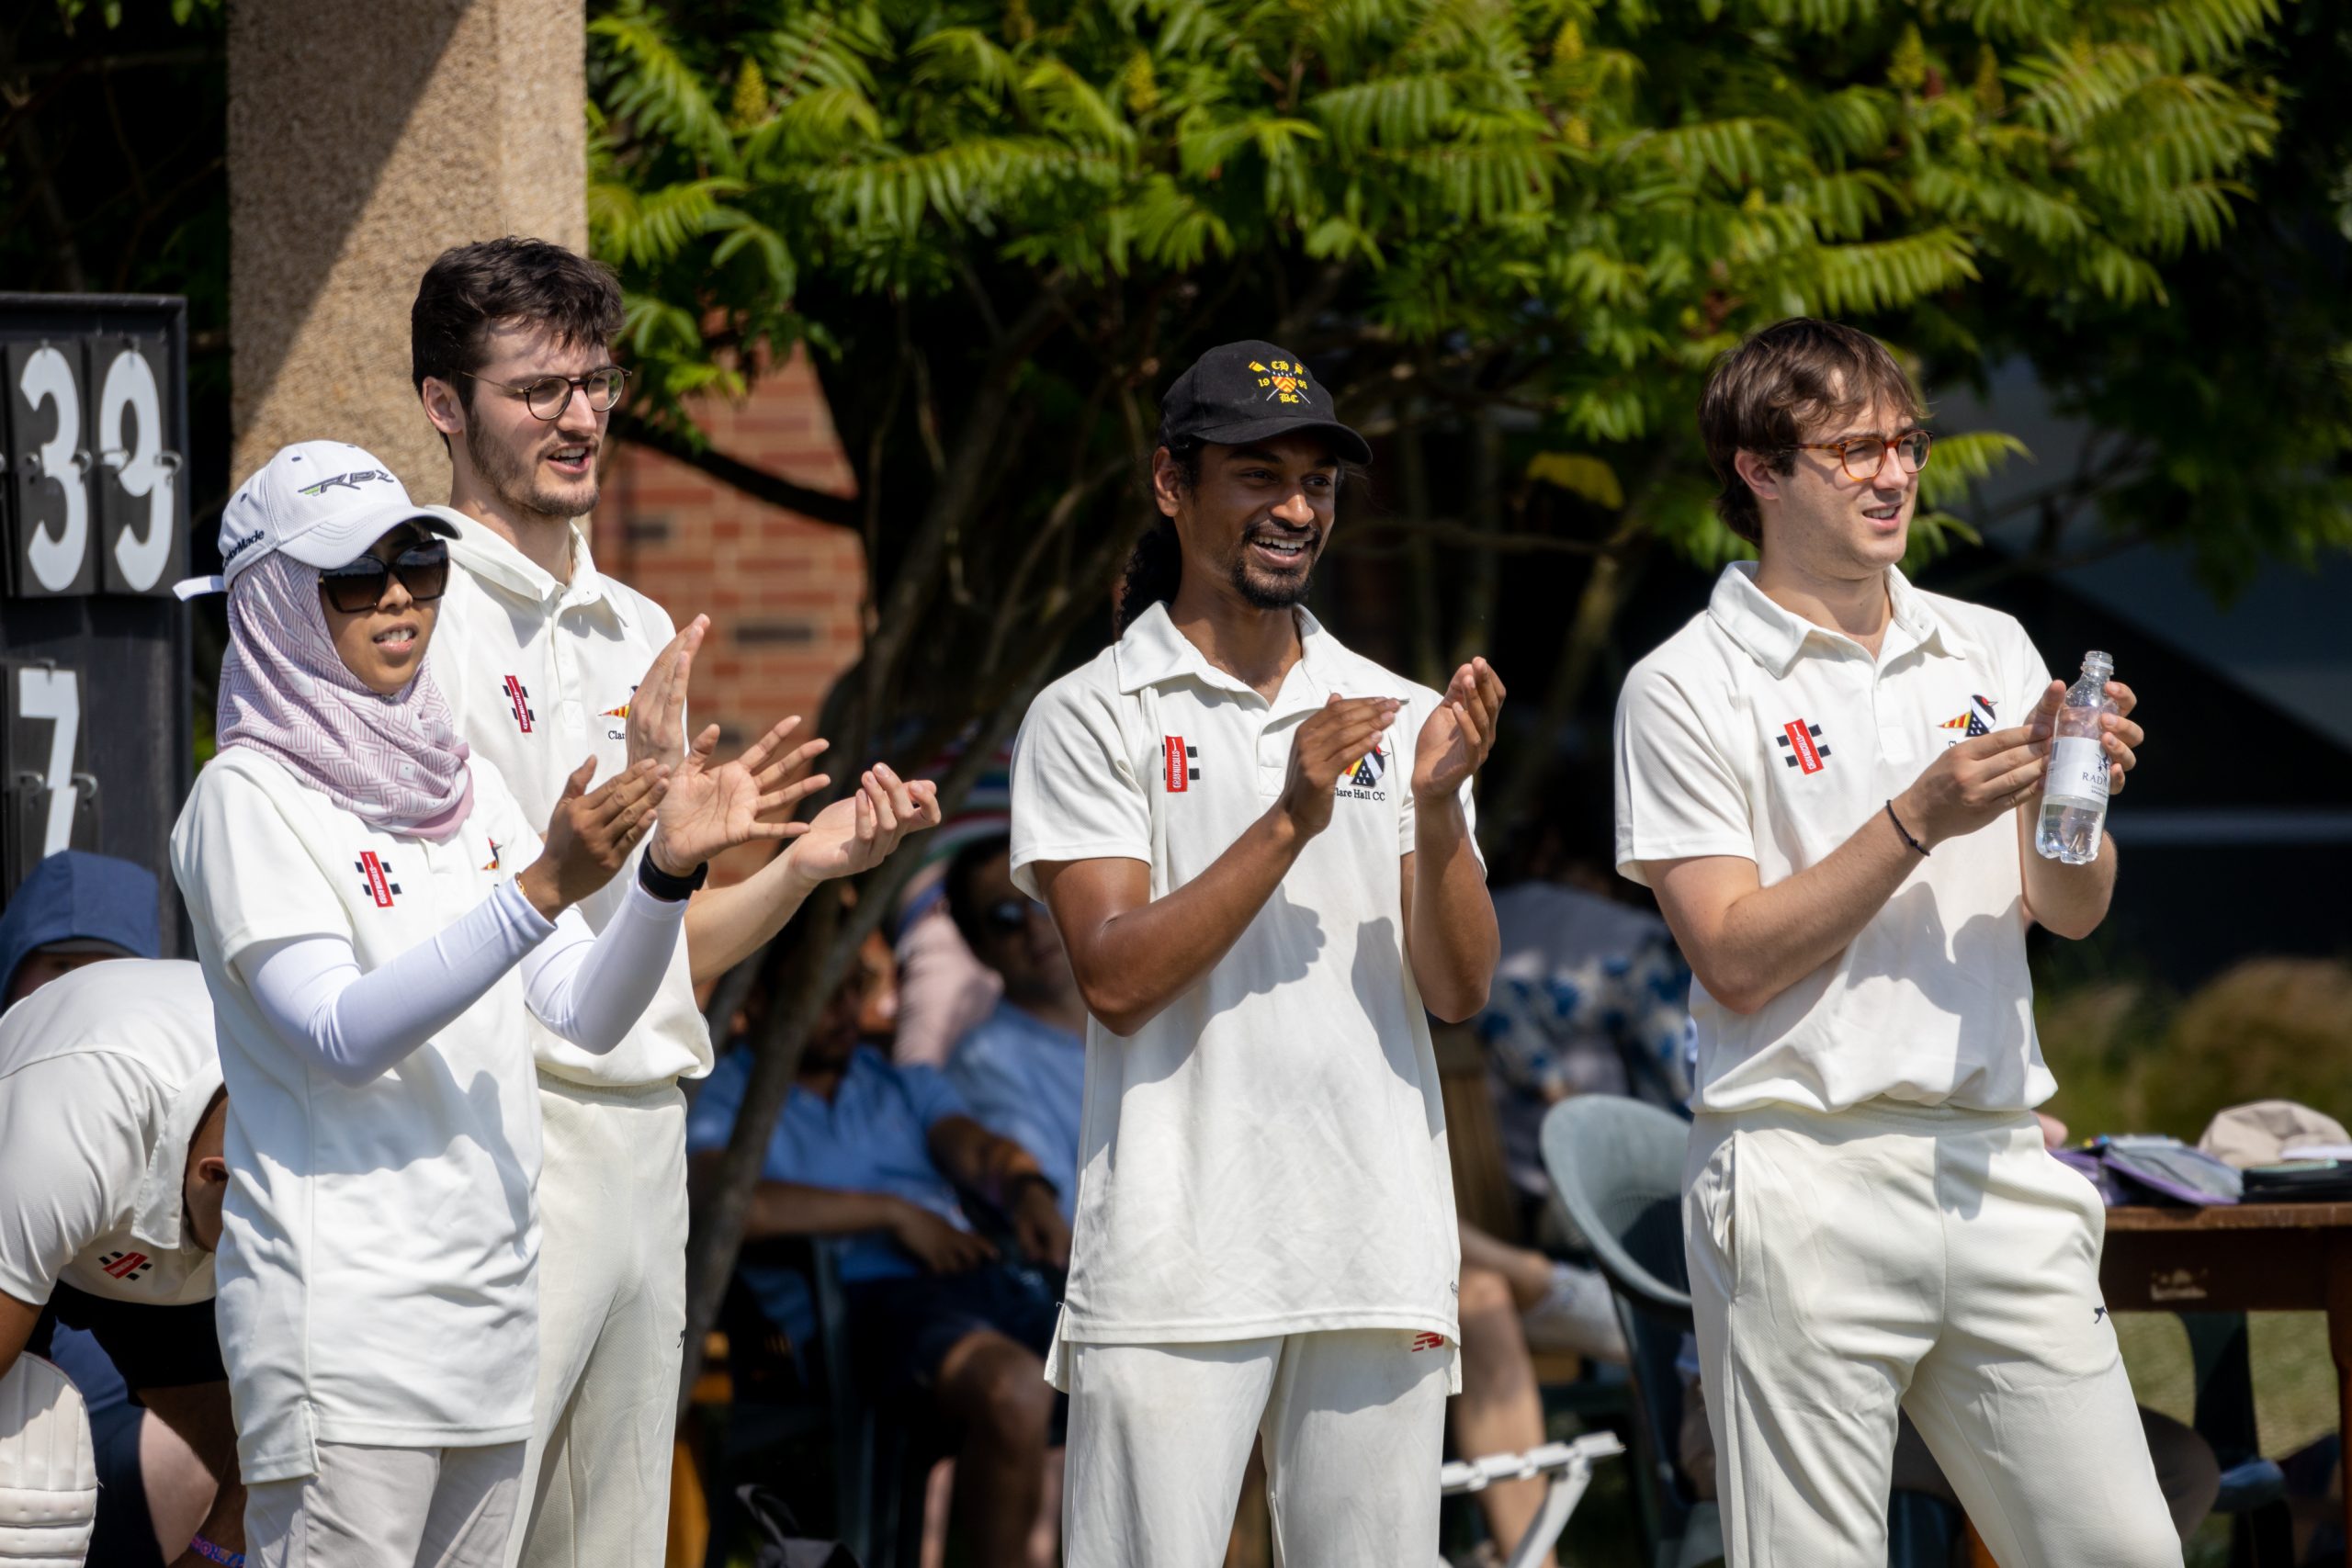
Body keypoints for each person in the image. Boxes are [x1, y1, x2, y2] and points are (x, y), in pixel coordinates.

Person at [410, 236, 942, 1567]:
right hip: (499, 1130)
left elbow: (665, 954)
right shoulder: (406, 607)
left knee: (614, 1544)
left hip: (650, 1136)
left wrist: (805, 864)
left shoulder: (647, 628)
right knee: (474, 1536)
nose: (581, 415)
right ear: (442, 405)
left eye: (596, 383)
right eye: (538, 388)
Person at [170, 443, 789, 1567]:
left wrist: (659, 879)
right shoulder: (245, 796)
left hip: (491, 1330)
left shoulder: (462, 783)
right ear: (271, 603)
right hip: (343, 1336)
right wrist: (545, 888)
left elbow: (582, 1013)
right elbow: (342, 1032)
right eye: (355, 576)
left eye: (417, 561)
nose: (400, 595)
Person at [1613, 318, 2168, 1565]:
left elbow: (2068, 908)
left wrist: (2069, 805)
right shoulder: (1685, 681)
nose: (1894, 471)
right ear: (1760, 469)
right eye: (1853, 446)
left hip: (1998, 1165)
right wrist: (1920, 813)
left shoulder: (1988, 644)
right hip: (1803, 1172)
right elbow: (1735, 953)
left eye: (1907, 440)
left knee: (2124, 1548)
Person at [1011, 339, 1507, 1562]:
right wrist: (1290, 816)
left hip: (1376, 1248)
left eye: (1319, 481)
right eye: (1258, 474)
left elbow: (1459, 986)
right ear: (1172, 485)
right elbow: (1116, 977)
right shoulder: (1090, 713)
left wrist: (1437, 808)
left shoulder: (1396, 710)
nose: (1297, 507)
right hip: (1175, 1261)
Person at [686, 921, 1071, 1568]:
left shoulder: (896, 1079)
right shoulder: (729, 1090)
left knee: (1129, 1367)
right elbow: (730, 1205)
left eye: (849, 992)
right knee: (1013, 1390)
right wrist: (892, 1214)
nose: (843, 1013)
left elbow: (974, 1147)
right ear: (757, 1005)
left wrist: (1026, 1186)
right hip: (852, 1313)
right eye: (819, 995)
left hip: (969, 1281)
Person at [0, 851, 241, 1567]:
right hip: (40, 1193)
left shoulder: (330, 1152)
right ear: (214, 1175)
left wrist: (213, 1556)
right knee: (30, 1488)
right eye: (55, 963)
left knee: (265, 1448)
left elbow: (294, 1452)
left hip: (149, 1218)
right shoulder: (67, 1127)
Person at [941, 834, 1084, 1219]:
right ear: (977, 948)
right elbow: (1061, 1210)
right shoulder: (983, 1061)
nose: (1033, 926)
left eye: (1040, 898)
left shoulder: (1146, 997)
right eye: (1004, 917)